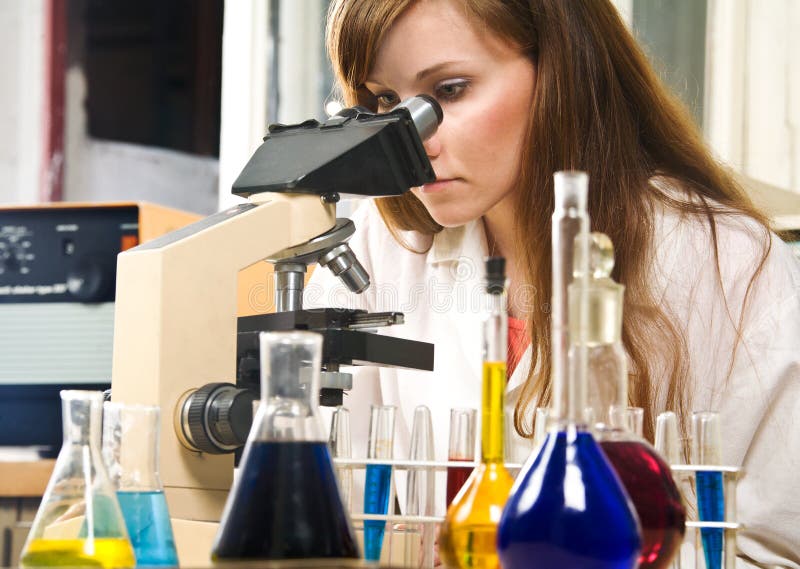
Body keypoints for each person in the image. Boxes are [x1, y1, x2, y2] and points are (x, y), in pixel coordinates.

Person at [305, 0, 800, 566]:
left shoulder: (728, 261)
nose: (415, 141)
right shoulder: (378, 248)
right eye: (387, 102)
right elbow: (323, 499)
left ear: (562, 73)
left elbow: (774, 546)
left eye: (449, 91)